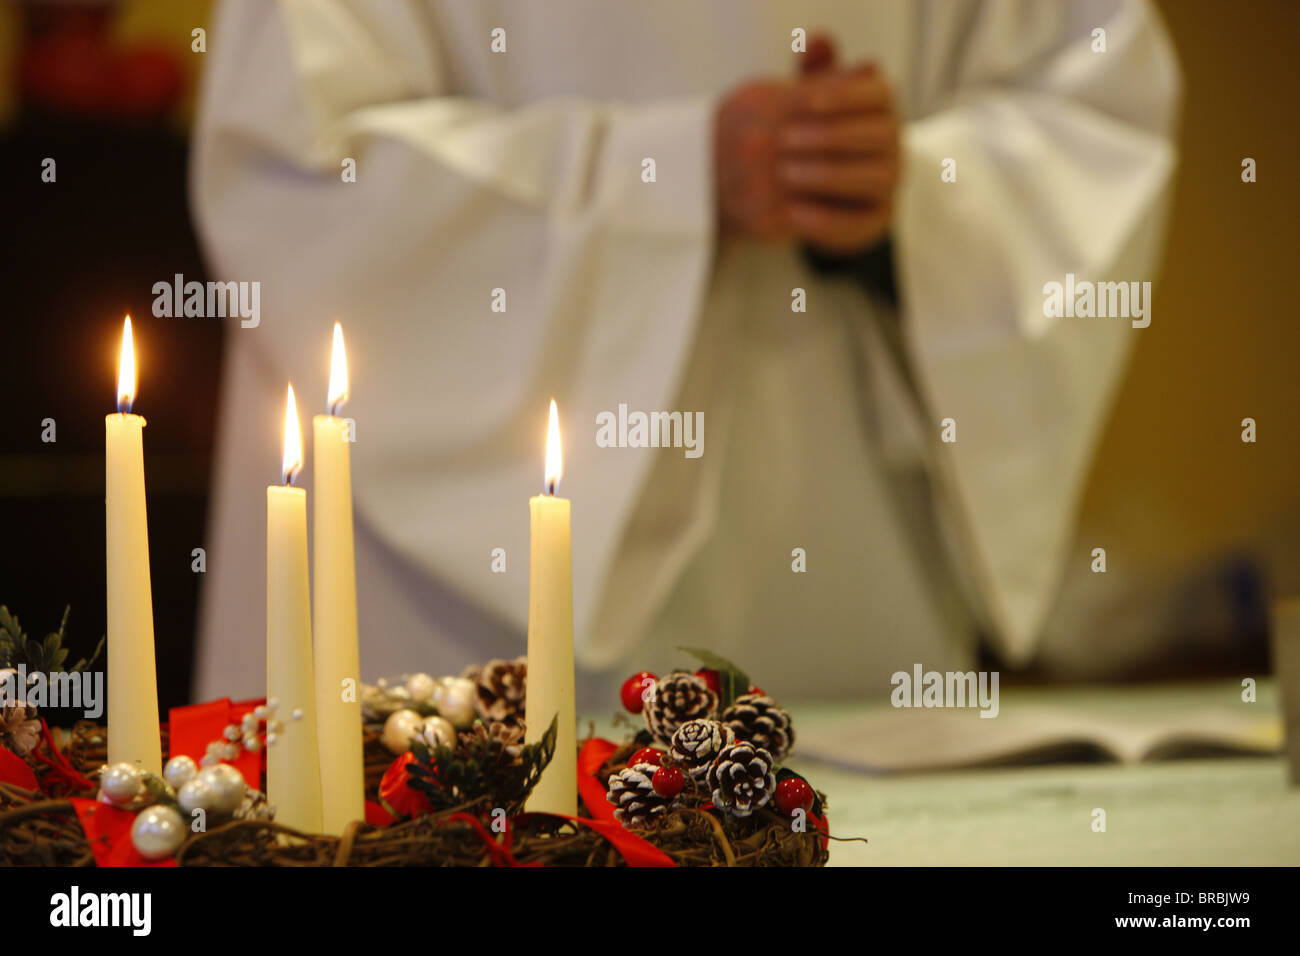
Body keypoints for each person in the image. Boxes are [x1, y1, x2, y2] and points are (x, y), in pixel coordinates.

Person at [190, 0, 1179, 704]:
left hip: (845, 576)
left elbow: (1092, 113)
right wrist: (667, 177)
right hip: (439, 623)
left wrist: (916, 201)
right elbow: (297, 166)